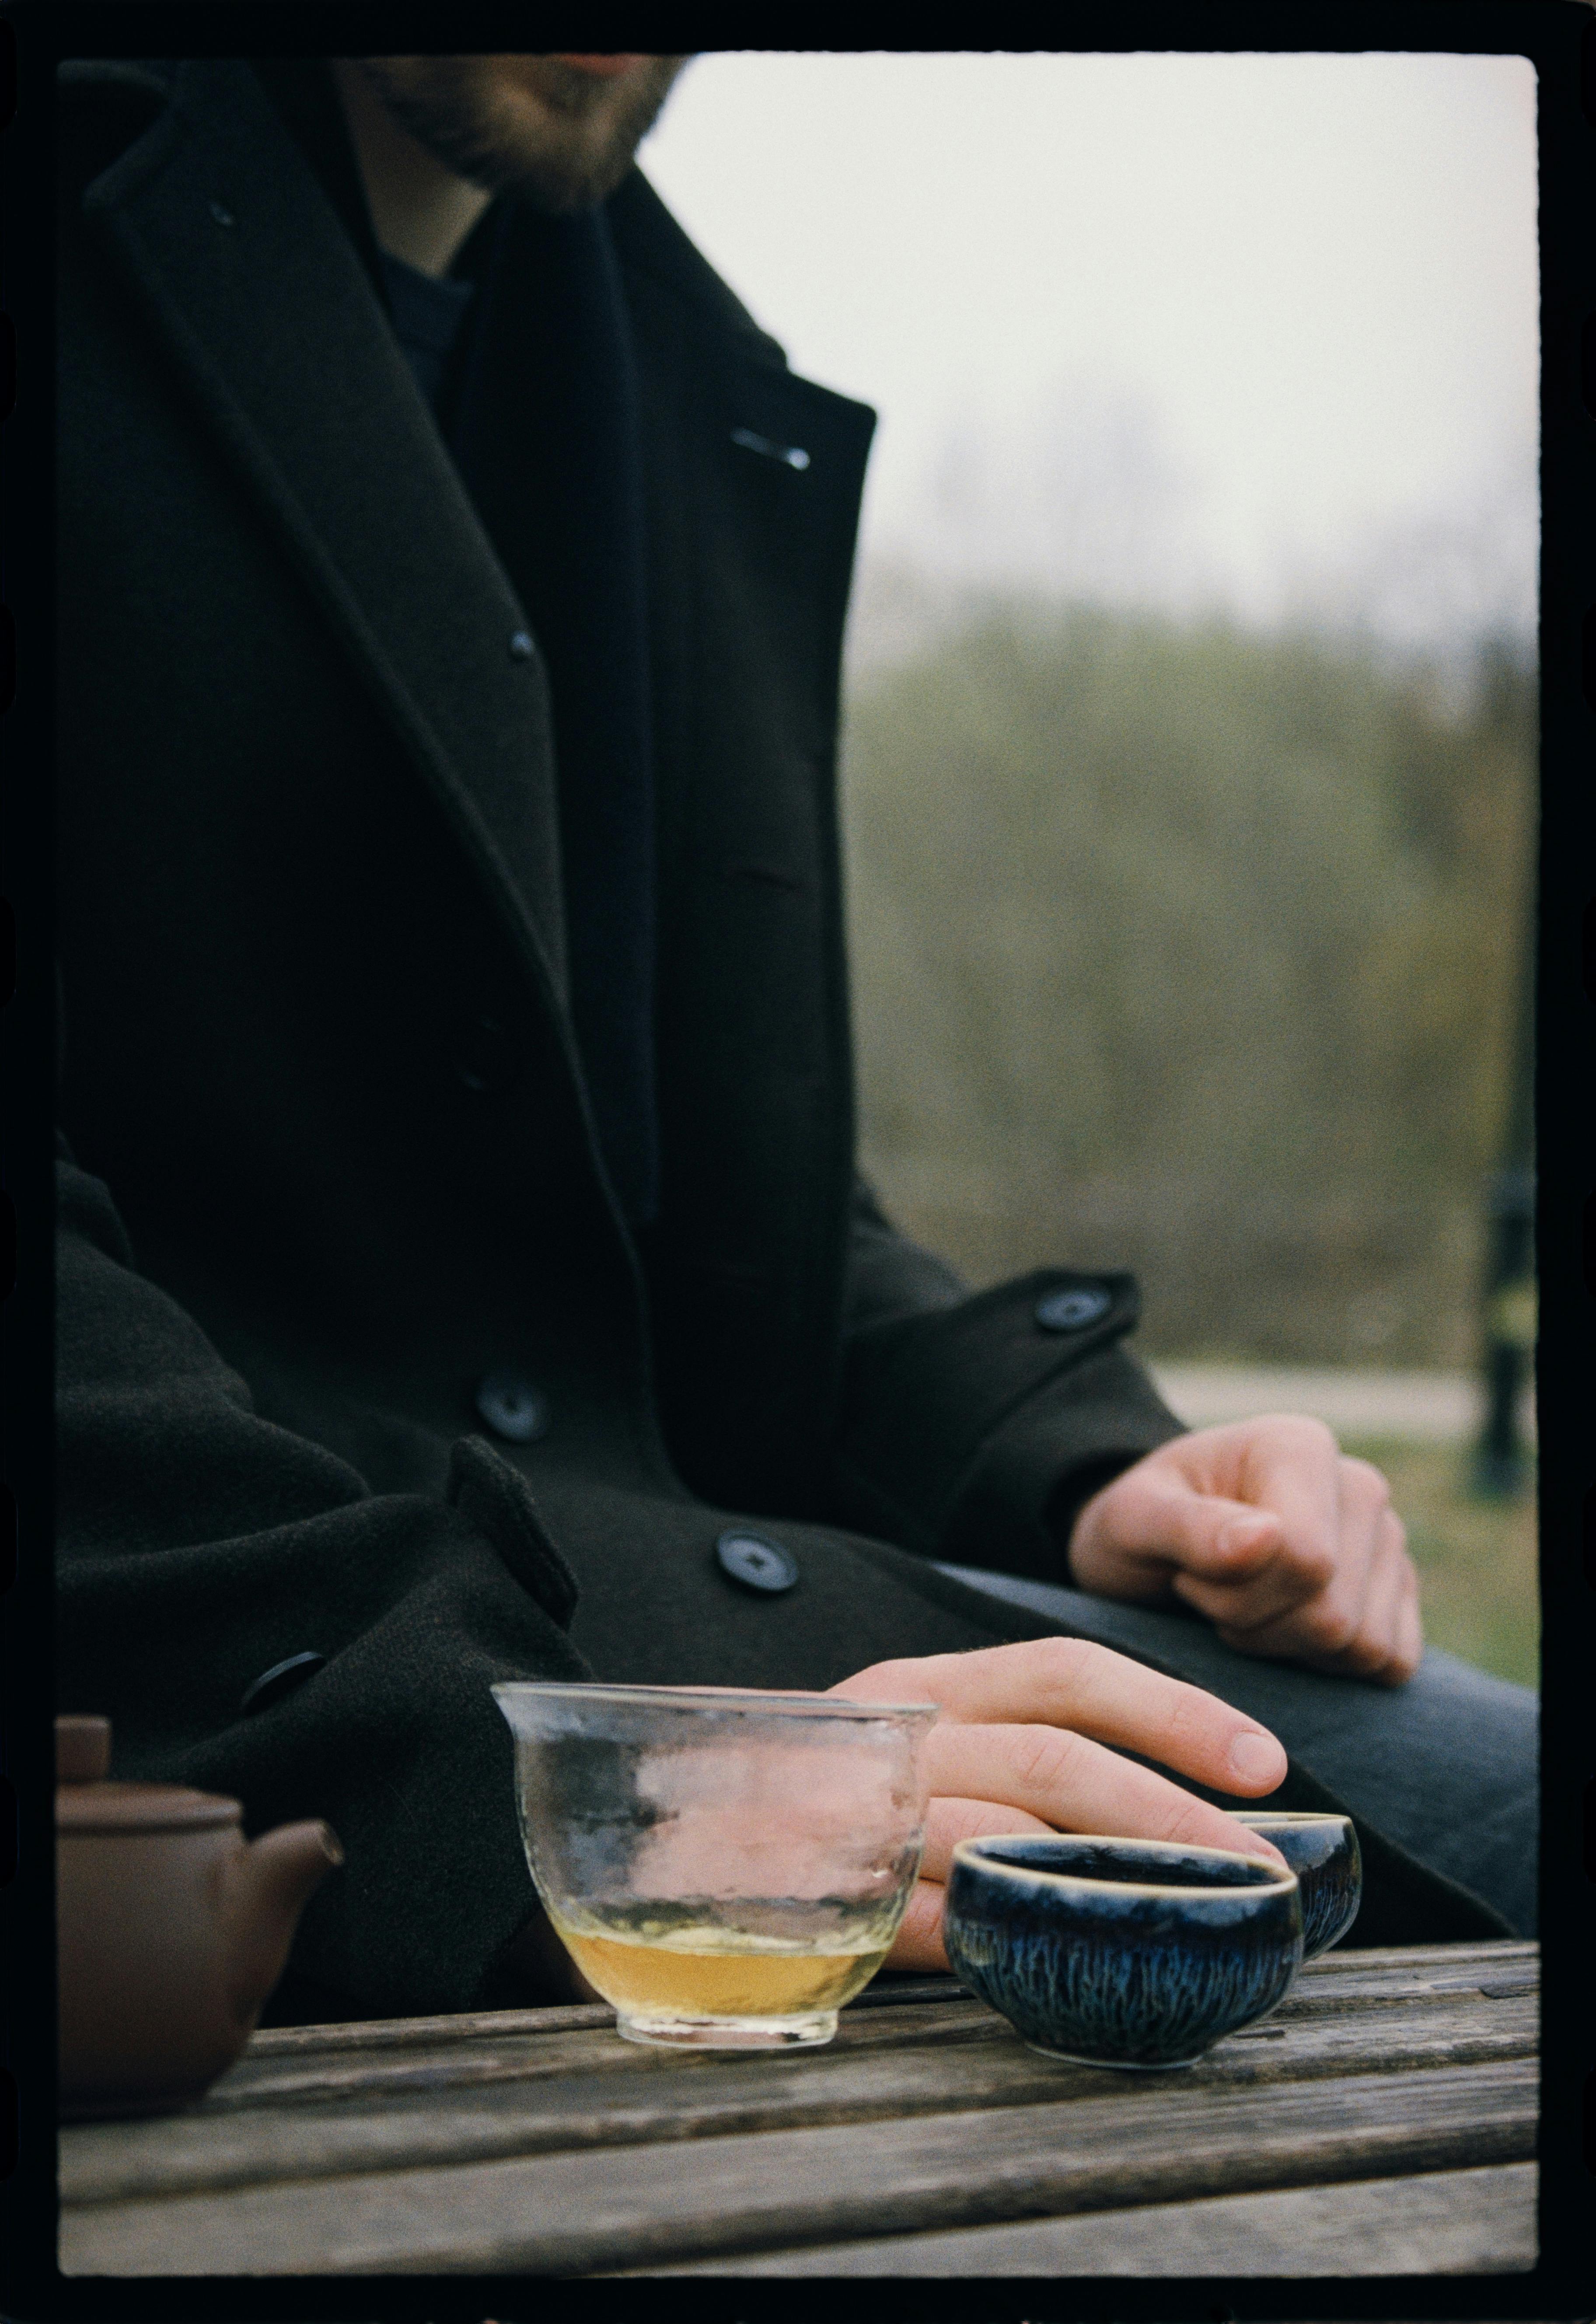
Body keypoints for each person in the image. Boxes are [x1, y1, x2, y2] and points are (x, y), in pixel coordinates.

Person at [54, 49, 1535, 2022]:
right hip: (297, 1676)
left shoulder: (671, 373)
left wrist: (1068, 1466)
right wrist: (583, 1793)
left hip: (684, 1623)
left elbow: (716, 1210)